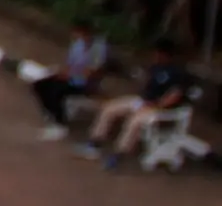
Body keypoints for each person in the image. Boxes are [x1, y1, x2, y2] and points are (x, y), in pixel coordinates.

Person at [77, 40, 191, 169]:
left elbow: (174, 96)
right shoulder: (154, 67)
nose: (154, 55)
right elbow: (146, 87)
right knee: (110, 108)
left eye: (157, 53)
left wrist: (155, 105)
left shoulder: (177, 73)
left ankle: (118, 154)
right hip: (142, 101)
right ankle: (95, 142)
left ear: (164, 54)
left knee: (134, 121)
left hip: (159, 108)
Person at [32, 23, 109, 140]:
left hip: (86, 83)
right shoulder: (77, 45)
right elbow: (70, 64)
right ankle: (51, 112)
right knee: (39, 85)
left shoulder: (98, 48)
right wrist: (61, 72)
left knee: (56, 91)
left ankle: (60, 124)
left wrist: (71, 75)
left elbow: (93, 71)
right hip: (71, 77)